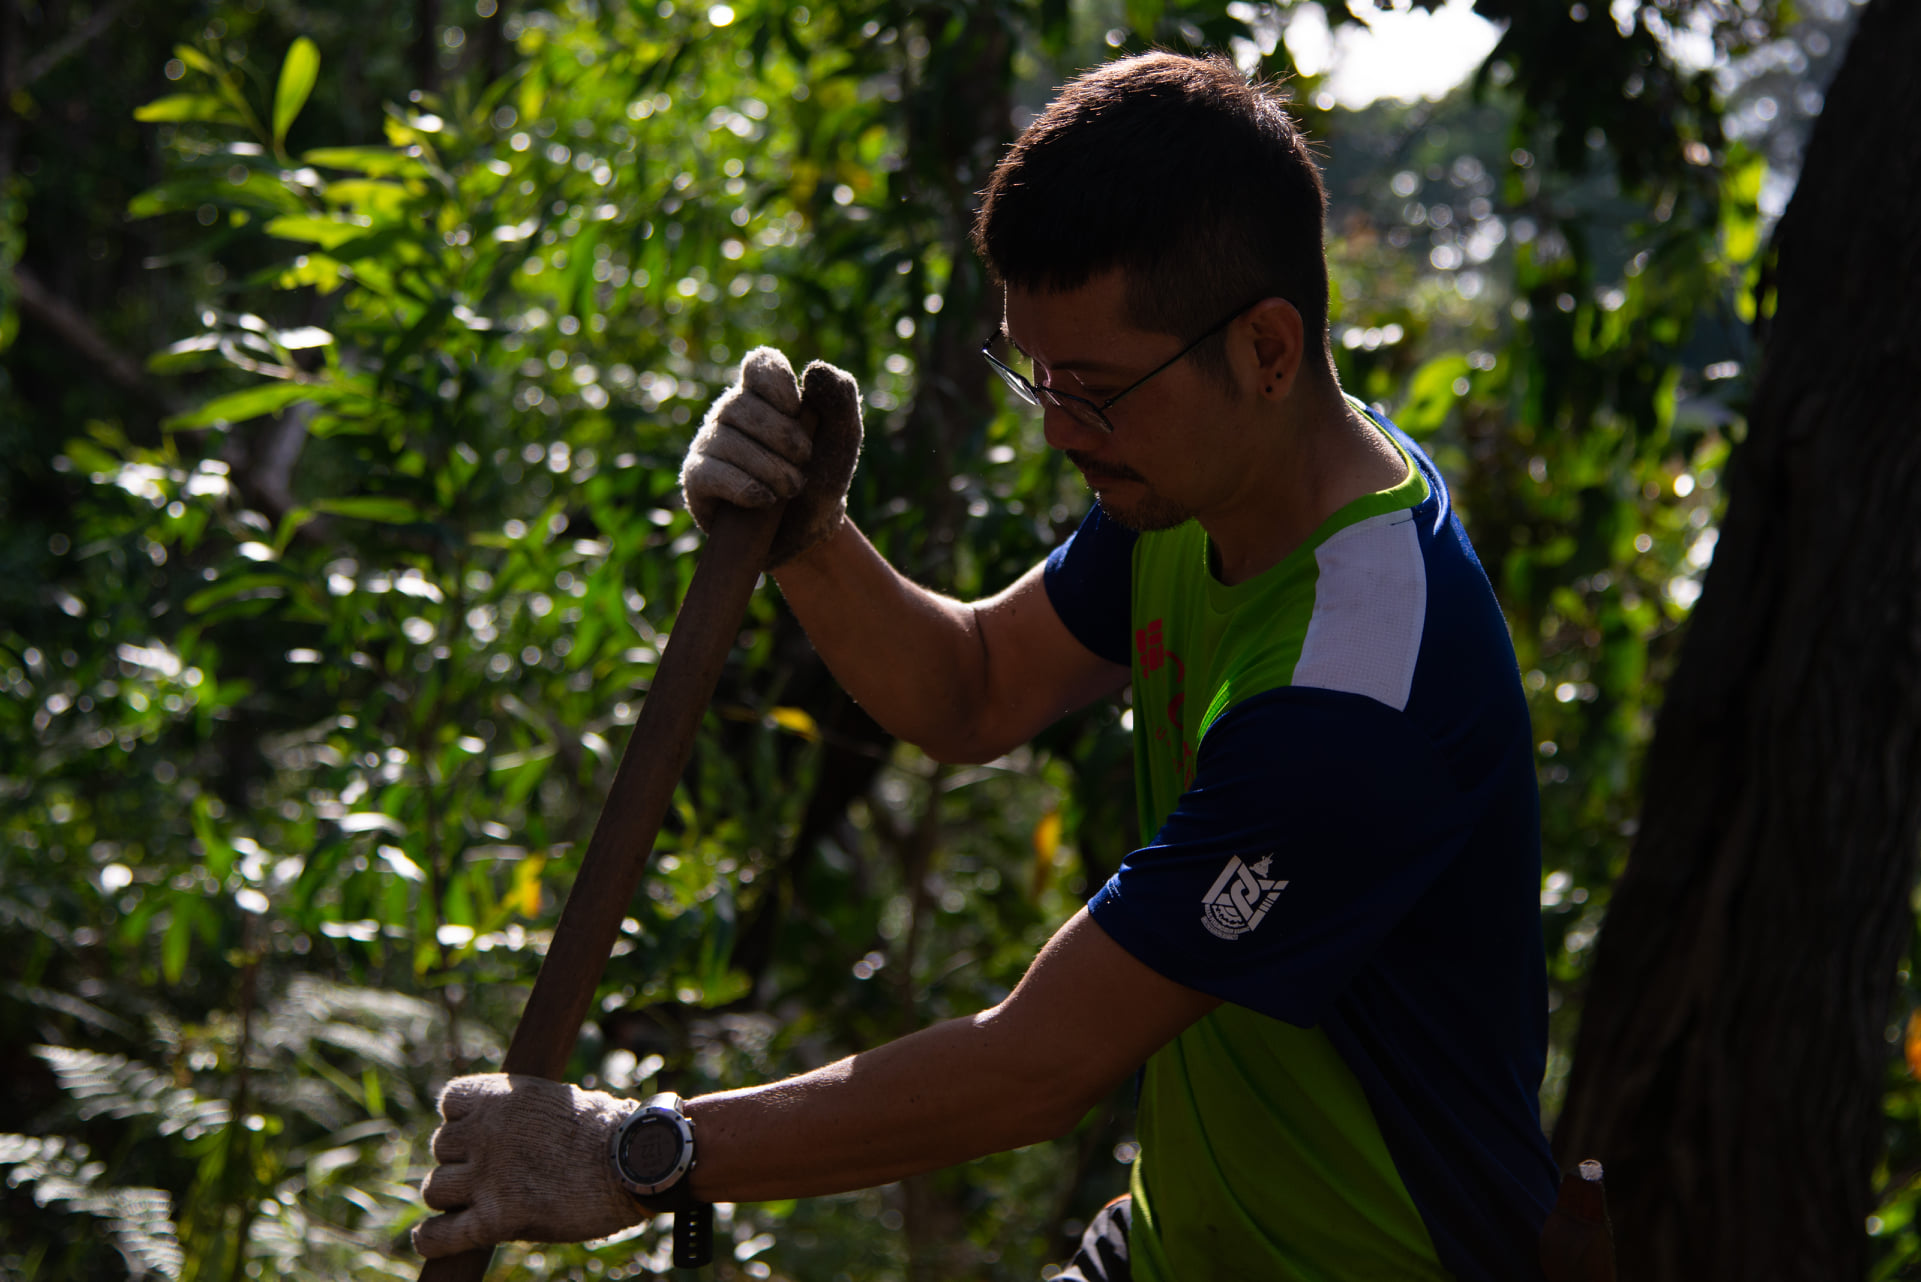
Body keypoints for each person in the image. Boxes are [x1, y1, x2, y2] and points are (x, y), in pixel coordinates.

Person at [414, 51, 1559, 1280]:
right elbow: (972, 686)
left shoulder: (1355, 688)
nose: (1063, 430)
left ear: (1268, 349)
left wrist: (634, 1151)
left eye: (1101, 391)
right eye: (1039, 378)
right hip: (1172, 1246)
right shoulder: (1214, 491)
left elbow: (1035, 1066)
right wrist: (808, 539)